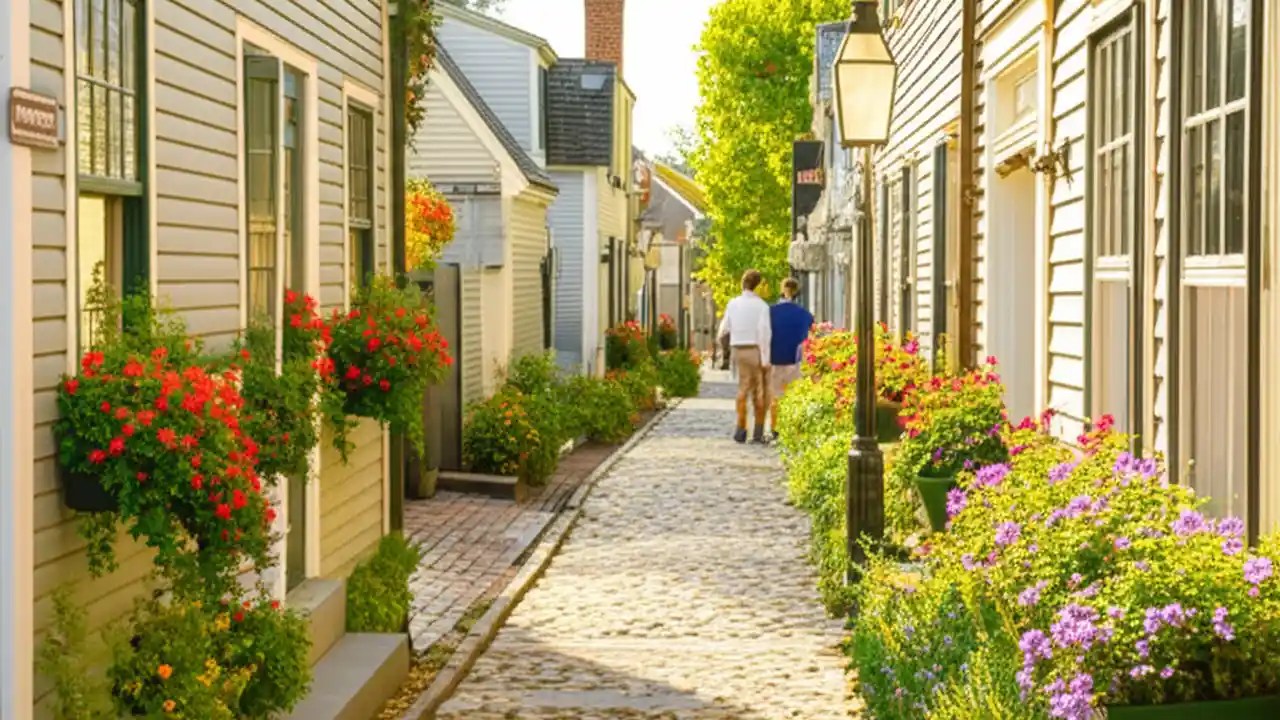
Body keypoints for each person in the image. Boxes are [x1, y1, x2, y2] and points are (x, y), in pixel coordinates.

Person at [718, 269, 772, 444]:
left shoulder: (733, 304)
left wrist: (725, 352)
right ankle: (758, 431)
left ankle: (741, 428)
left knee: (742, 389)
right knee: (759, 392)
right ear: (757, 285)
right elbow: (764, 333)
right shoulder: (762, 306)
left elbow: (723, 330)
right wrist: (765, 358)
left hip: (737, 349)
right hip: (755, 348)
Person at [768, 277, 814, 440]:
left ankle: (775, 430)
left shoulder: (770, 312)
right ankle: (791, 428)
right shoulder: (805, 315)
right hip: (795, 361)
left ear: (782, 290)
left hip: (774, 359)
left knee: (775, 397)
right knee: (793, 396)